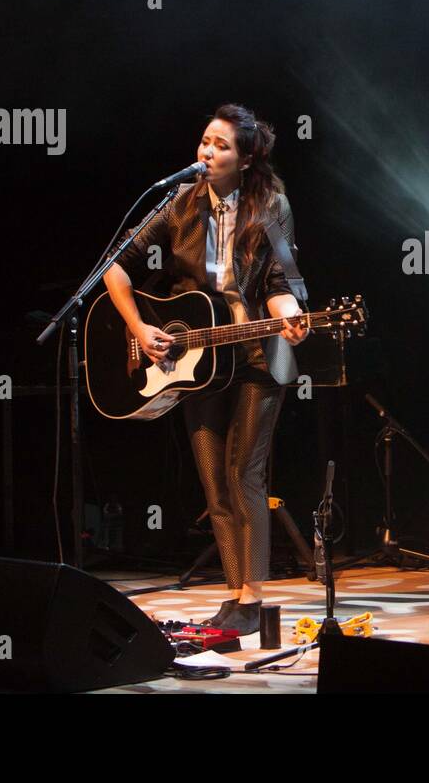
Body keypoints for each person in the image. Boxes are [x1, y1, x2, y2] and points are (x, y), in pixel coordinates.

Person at [103, 103, 309, 634]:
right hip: (196, 362)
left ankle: (253, 598)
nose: (207, 152)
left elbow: (284, 283)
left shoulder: (272, 205)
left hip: (257, 356)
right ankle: (233, 593)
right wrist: (138, 328)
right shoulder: (180, 202)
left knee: (246, 474)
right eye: (204, 142)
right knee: (214, 482)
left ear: (246, 159)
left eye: (220, 146)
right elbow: (115, 269)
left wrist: (289, 317)